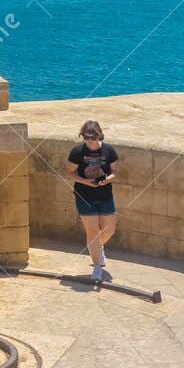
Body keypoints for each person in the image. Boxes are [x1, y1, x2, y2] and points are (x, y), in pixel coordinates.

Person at [66, 119, 119, 281]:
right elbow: (70, 172)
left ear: (99, 136)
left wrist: (107, 179)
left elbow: (115, 171)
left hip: (105, 194)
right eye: (86, 138)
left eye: (93, 138)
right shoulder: (77, 152)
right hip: (84, 195)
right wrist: (85, 181)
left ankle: (97, 248)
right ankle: (97, 265)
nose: (90, 141)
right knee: (92, 232)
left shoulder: (109, 151)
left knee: (110, 228)